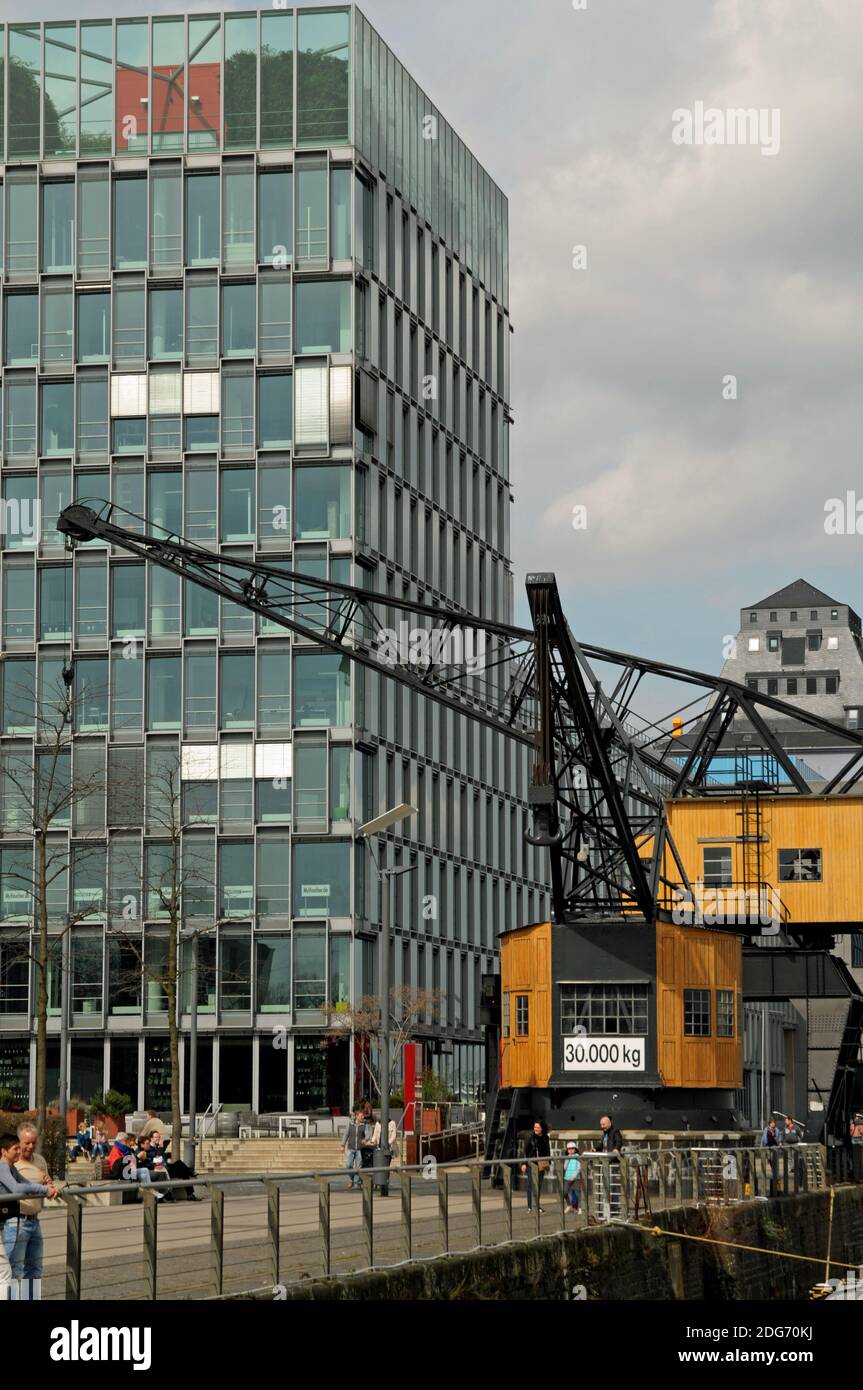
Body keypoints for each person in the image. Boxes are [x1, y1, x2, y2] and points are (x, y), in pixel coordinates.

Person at [0, 1132, 59, 1300]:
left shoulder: (11, 1167)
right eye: (16, 1148)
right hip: (14, 1221)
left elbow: (25, 1183)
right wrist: (44, 1190)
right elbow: (16, 1188)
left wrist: (48, 1189)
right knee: (10, 1271)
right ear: (4, 1151)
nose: (19, 1152)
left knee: (33, 1268)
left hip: (31, 1220)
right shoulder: (2, 1167)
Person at [107, 1133, 164, 1199]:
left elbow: (129, 1161)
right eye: (126, 1140)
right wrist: (136, 1158)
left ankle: (150, 1190)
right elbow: (118, 1165)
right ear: (120, 1141)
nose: (127, 1142)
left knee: (144, 1170)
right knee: (143, 1173)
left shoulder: (125, 1149)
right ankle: (151, 1191)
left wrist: (135, 1158)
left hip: (128, 1170)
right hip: (121, 1173)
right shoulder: (116, 1150)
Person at [521, 1120, 551, 1212]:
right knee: (530, 1185)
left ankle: (537, 1206)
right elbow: (525, 1151)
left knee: (539, 1185)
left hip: (541, 1164)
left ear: (542, 1128)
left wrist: (548, 1163)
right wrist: (524, 1164)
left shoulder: (545, 1137)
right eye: (535, 1127)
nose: (536, 1129)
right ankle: (530, 1207)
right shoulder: (530, 1137)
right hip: (531, 1164)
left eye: (538, 1127)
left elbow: (547, 1151)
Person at [370, 1116, 399, 1196]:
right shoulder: (377, 1124)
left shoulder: (392, 1123)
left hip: (388, 1148)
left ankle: (384, 1183)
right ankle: (379, 1181)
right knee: (378, 1165)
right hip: (379, 1148)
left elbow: (393, 1136)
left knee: (386, 1165)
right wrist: (372, 1142)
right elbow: (375, 1135)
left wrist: (387, 1143)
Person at [342, 1110, 364, 1189]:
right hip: (351, 1148)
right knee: (348, 1165)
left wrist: (366, 1139)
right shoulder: (350, 1124)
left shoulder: (364, 1125)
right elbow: (346, 1134)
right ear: (357, 1116)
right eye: (361, 1116)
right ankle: (352, 1179)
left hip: (359, 1149)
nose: (363, 1117)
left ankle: (356, 1182)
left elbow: (368, 1135)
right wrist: (342, 1145)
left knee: (358, 1166)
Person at [563, 1141, 581, 1213]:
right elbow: (565, 1168)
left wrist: (574, 1176)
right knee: (565, 1192)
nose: (570, 1150)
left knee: (577, 1193)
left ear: (575, 1149)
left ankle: (579, 1208)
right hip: (567, 1177)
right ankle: (569, 1205)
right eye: (569, 1149)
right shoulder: (567, 1157)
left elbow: (579, 1168)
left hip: (576, 1178)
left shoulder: (577, 1157)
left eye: (572, 1148)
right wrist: (568, 1159)